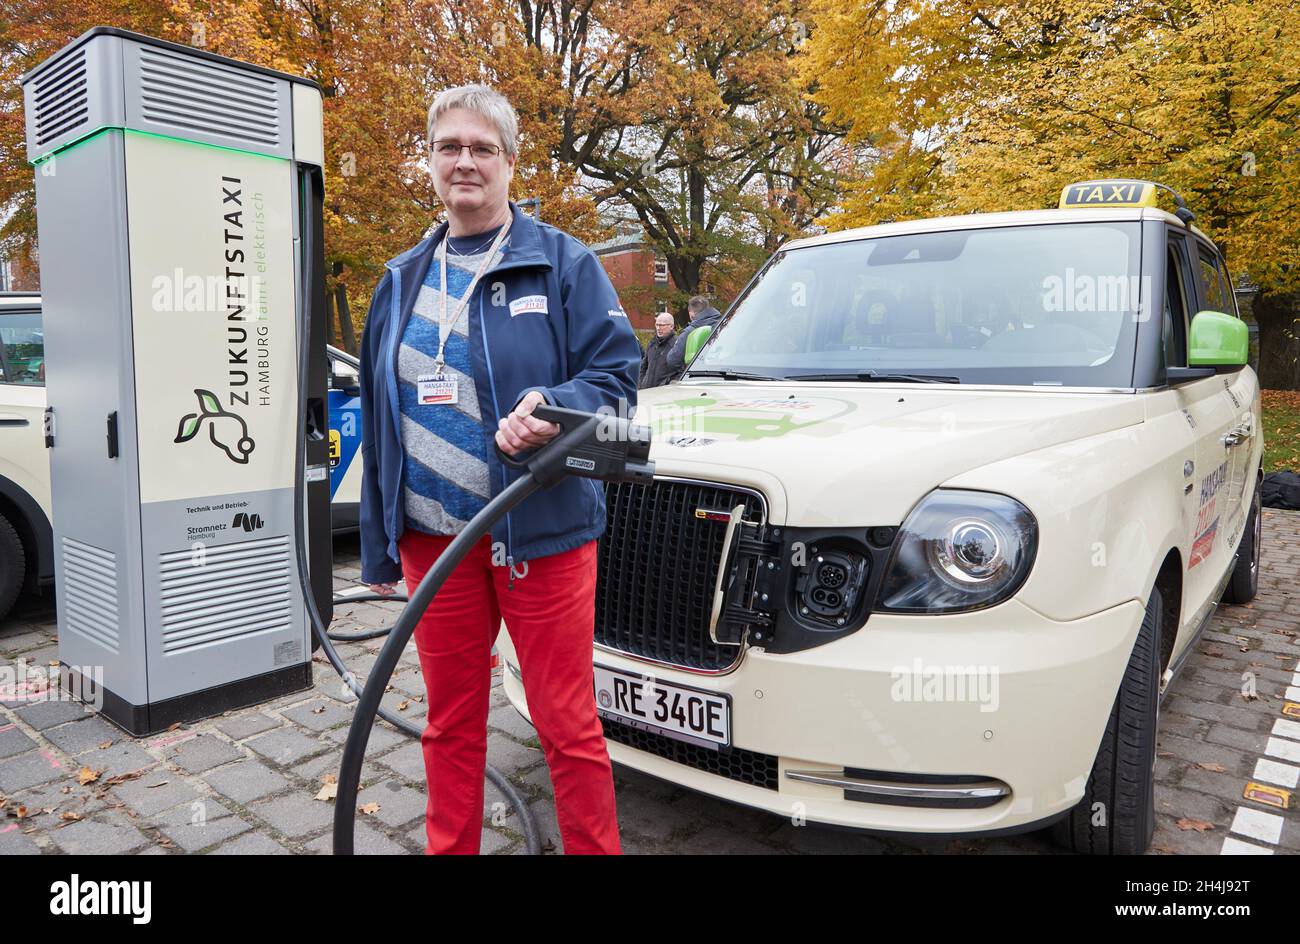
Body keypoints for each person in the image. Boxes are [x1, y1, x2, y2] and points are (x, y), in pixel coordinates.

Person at [357, 83, 639, 855]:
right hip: (434, 542)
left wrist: (553, 401)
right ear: (430, 162)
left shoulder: (562, 264)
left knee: (565, 722)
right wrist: (383, 545)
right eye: (450, 147)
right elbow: (383, 422)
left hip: (541, 535)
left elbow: (619, 379)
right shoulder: (401, 277)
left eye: (483, 148)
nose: (465, 162)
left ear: (511, 163)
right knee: (449, 720)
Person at [665, 294, 721, 379]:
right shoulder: (724, 326)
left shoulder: (689, 332)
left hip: (695, 378)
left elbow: (673, 361)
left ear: (691, 314)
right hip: (722, 376)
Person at [638, 312, 677, 388]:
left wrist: (667, 384)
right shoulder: (652, 343)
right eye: (657, 325)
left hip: (663, 394)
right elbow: (643, 366)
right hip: (646, 391)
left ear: (671, 326)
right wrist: (642, 383)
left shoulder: (676, 345)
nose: (658, 328)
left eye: (662, 325)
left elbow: (679, 371)